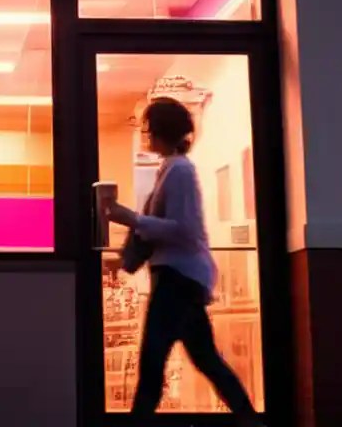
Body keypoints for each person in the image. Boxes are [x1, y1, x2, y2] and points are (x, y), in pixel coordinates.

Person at [105, 97, 261, 426]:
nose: (145, 134)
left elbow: (183, 229)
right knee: (204, 359)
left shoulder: (179, 171)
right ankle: (249, 419)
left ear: (159, 130)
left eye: (147, 128)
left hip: (177, 278)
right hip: (183, 278)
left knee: (154, 361)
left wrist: (130, 218)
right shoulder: (174, 168)